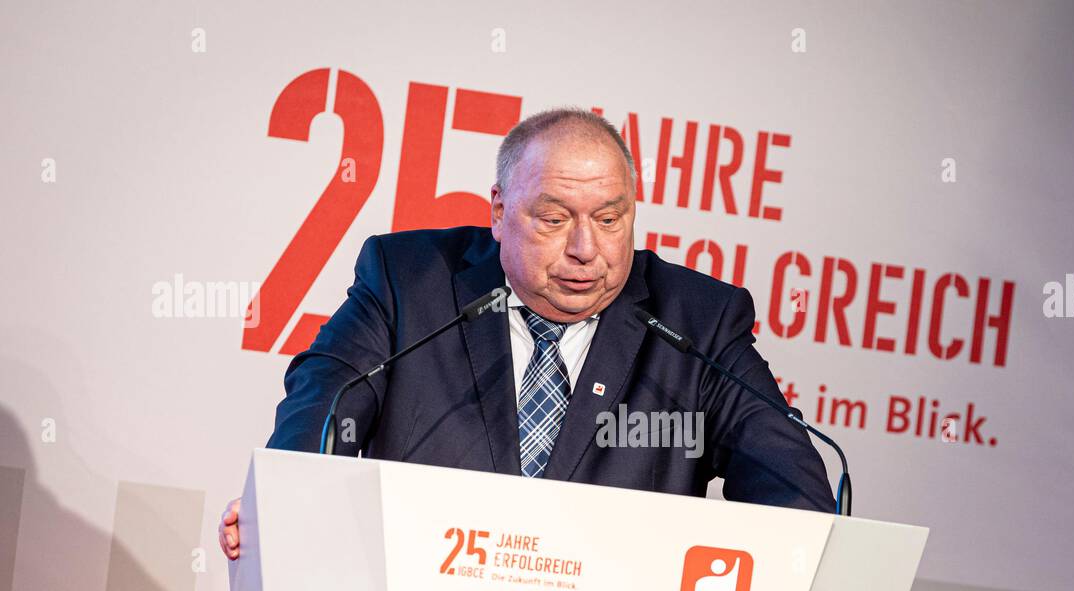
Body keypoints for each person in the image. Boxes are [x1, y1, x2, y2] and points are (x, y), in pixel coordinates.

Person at [220, 107, 833, 560]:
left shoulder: (697, 321)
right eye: (554, 219)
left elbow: (791, 489)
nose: (585, 250)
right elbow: (325, 396)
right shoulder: (412, 283)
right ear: (498, 210)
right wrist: (285, 497)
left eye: (609, 219)